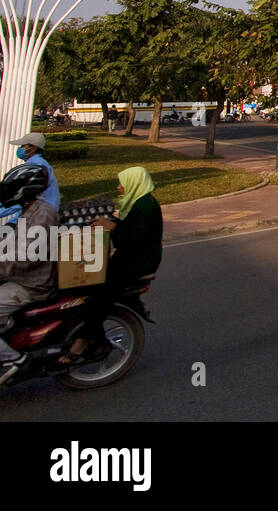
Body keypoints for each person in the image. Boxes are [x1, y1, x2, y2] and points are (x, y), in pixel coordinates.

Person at [58, 166, 164, 367]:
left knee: (101, 291)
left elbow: (136, 237)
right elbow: (127, 227)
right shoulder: (135, 202)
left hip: (140, 261)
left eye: (121, 183)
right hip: (127, 256)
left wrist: (113, 226)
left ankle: (83, 340)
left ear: (134, 183)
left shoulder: (147, 205)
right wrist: (108, 221)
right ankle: (87, 334)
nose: (118, 187)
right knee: (85, 284)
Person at [0, 163, 57, 383]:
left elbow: (25, 257)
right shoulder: (28, 210)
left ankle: (16, 360)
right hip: (17, 277)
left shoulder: (43, 215)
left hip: (31, 284)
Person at [8, 132, 59, 211]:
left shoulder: (36, 167)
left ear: (33, 148)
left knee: (18, 223)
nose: (20, 148)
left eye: (23, 146)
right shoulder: (35, 164)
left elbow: (23, 198)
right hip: (32, 211)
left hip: (40, 214)